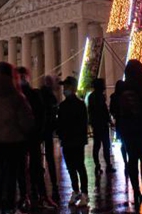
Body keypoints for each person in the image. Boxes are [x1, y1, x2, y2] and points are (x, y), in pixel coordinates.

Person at [0, 62, 34, 214]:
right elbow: (27, 121)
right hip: (14, 140)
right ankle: (9, 205)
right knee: (11, 173)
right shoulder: (16, 97)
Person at [115, 60, 142, 205]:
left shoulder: (121, 87)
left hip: (128, 129)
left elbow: (115, 108)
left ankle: (136, 190)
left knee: (132, 160)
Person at [16, 66, 52, 210]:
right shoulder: (23, 95)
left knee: (33, 166)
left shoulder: (27, 95)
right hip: (26, 136)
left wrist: (38, 132)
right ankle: (30, 194)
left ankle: (34, 194)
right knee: (26, 167)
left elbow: (41, 114)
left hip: (30, 136)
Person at [57, 76, 89, 208]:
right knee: (71, 168)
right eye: (64, 87)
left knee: (79, 166)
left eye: (67, 86)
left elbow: (83, 123)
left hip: (75, 140)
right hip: (68, 140)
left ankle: (84, 193)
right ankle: (76, 190)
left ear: (73, 88)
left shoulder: (79, 105)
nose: (65, 89)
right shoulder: (63, 106)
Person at [38, 75, 60, 202]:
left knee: (39, 156)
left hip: (40, 129)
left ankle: (39, 187)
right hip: (47, 130)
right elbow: (54, 113)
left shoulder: (40, 95)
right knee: (50, 158)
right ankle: (54, 184)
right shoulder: (51, 97)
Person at [87, 78, 114, 175]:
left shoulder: (91, 97)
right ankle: (108, 165)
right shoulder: (100, 97)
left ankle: (97, 165)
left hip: (96, 124)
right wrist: (109, 120)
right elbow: (104, 110)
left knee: (97, 145)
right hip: (102, 124)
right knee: (106, 145)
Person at [108, 79, 128, 169]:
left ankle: (125, 161)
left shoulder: (114, 97)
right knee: (127, 142)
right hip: (126, 121)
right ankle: (128, 161)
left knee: (123, 142)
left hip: (119, 122)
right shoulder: (126, 96)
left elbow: (112, 110)